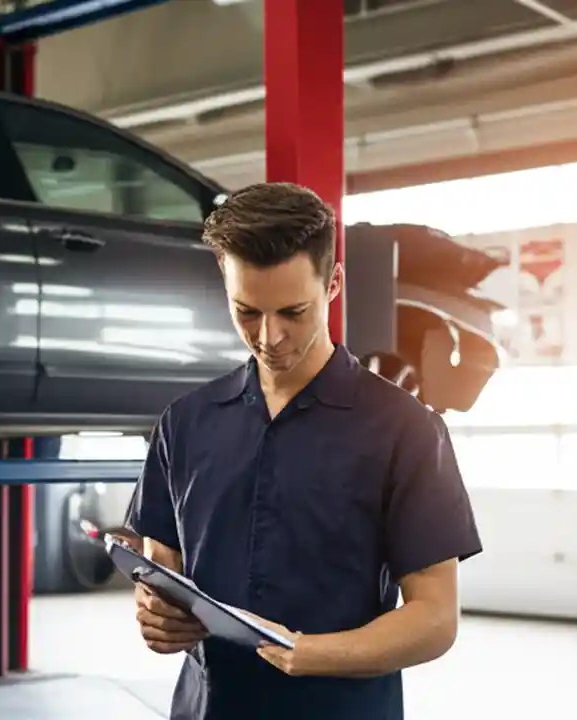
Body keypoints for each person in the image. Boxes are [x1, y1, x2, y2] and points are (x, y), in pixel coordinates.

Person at [122, 182, 483, 720]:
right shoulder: (185, 423)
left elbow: (434, 618)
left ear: (333, 283)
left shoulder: (406, 430)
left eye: (293, 311)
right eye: (246, 311)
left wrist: (306, 653)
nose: (270, 336)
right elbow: (161, 564)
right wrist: (157, 613)